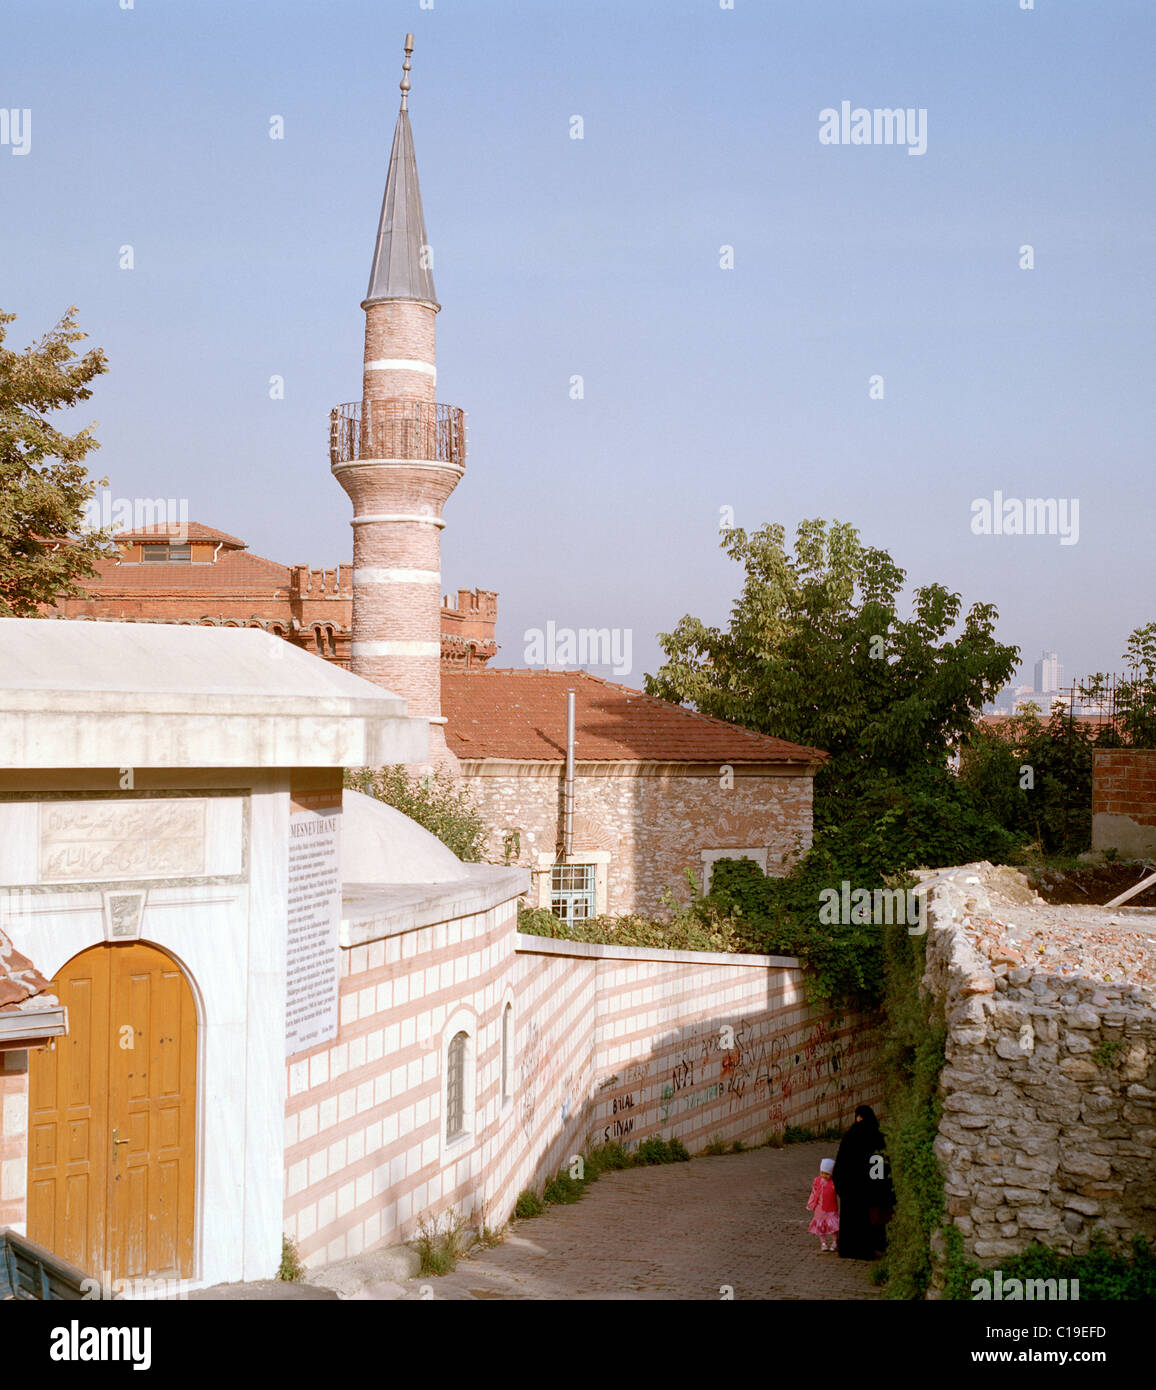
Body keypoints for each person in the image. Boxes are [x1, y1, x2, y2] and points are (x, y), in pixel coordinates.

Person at [832, 1104, 893, 1259]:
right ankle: (867, 1250)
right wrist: (879, 1187)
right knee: (866, 1222)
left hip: (850, 1190)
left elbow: (840, 1165)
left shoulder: (849, 1137)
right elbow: (878, 1163)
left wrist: (840, 1186)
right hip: (867, 1190)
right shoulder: (876, 1137)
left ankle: (848, 1249)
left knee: (851, 1221)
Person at [806, 1157, 839, 1252]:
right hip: (819, 1209)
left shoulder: (833, 1183)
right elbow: (814, 1192)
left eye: (827, 1174)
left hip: (831, 1208)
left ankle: (835, 1241)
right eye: (822, 1173)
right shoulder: (817, 1180)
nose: (824, 1175)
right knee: (820, 1226)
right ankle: (823, 1242)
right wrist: (812, 1203)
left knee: (833, 1226)